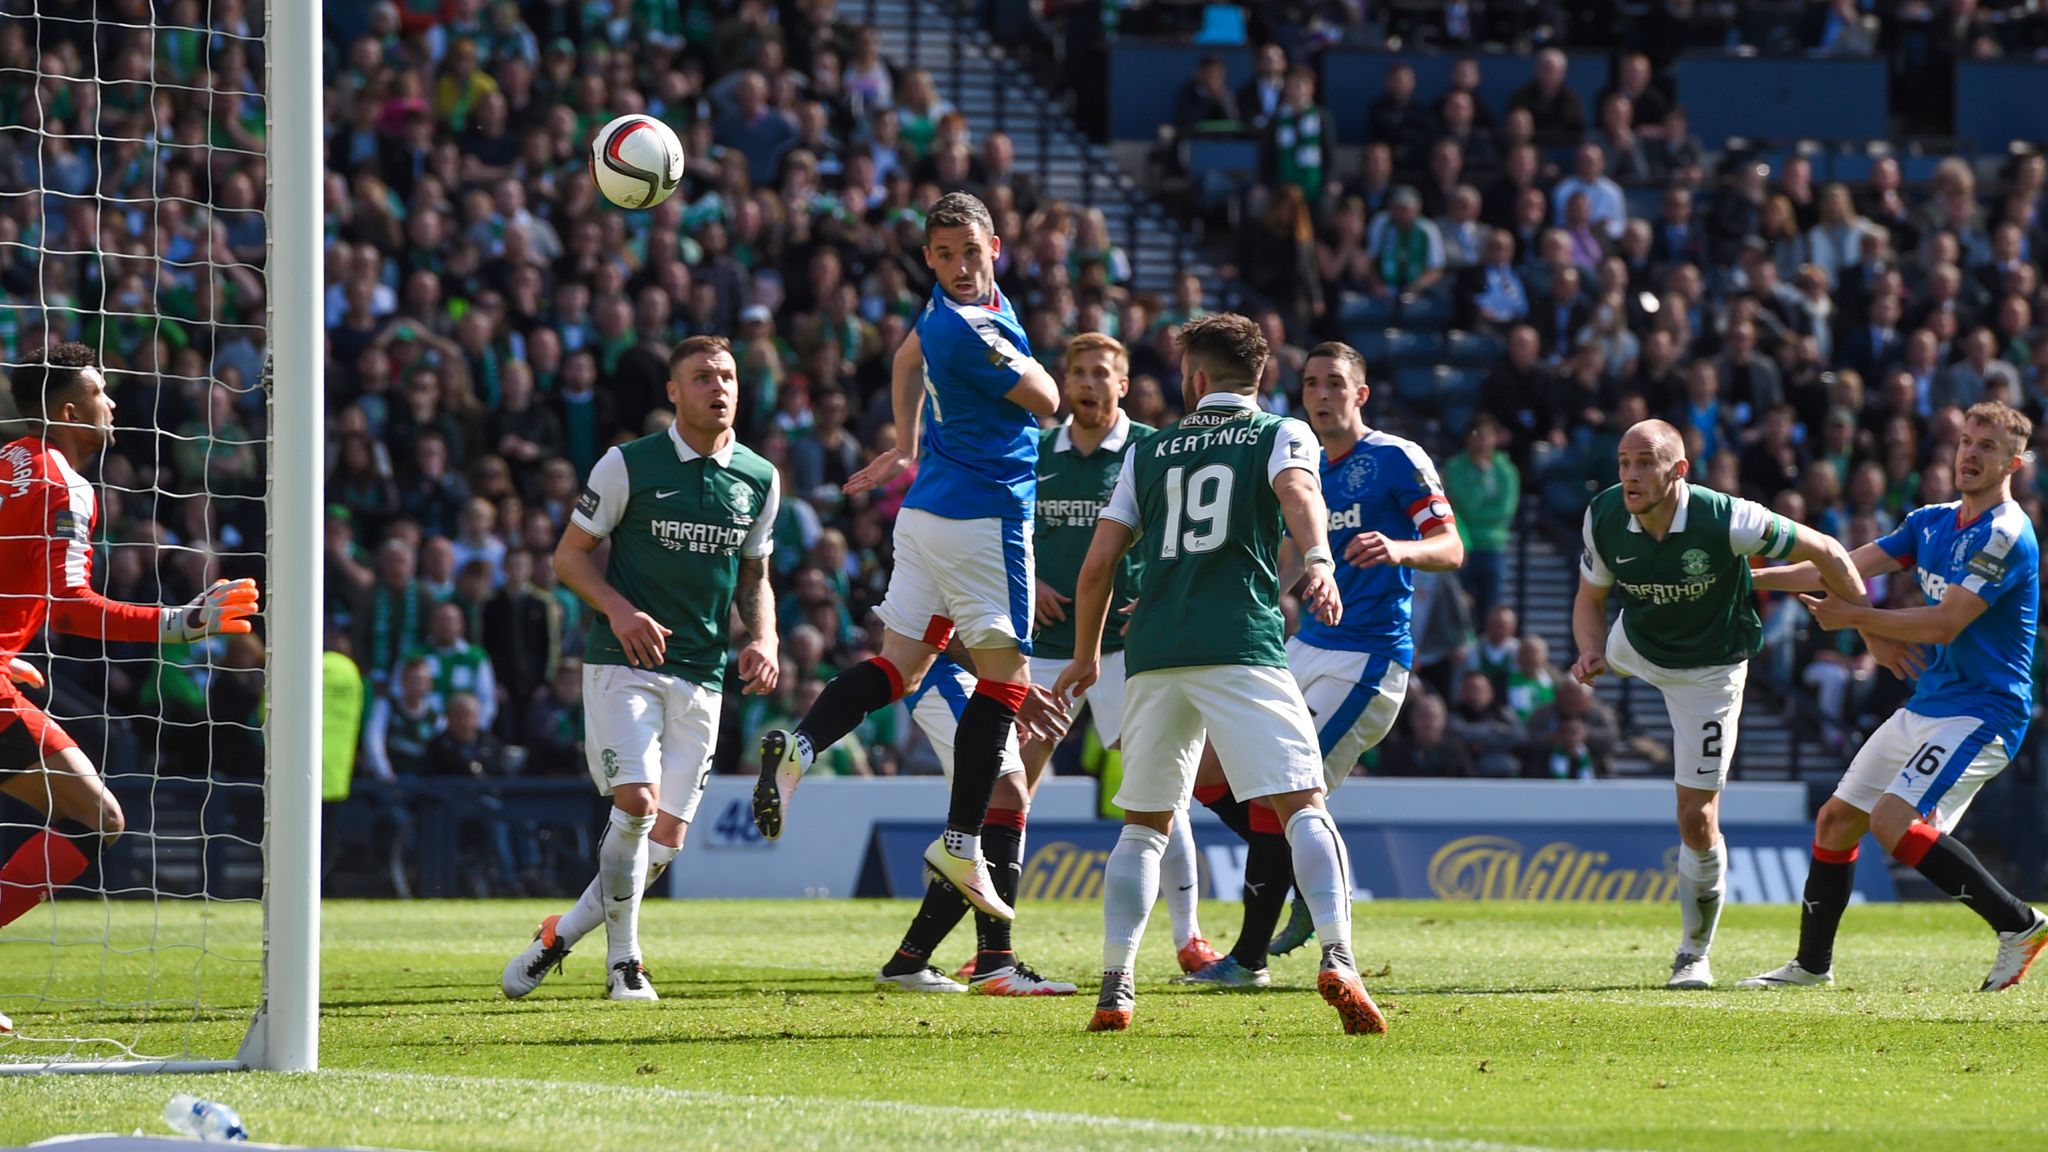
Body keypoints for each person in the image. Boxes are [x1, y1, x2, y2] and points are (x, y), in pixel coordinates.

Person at [1054, 313, 1385, 1035]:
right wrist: (1321, 562)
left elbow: (1096, 567)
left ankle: (1116, 983)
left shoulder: (1151, 450)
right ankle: (1338, 957)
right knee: (1304, 807)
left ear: (1194, 380)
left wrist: (1084, 657)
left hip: (1153, 655)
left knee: (1142, 829)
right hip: (1239, 643)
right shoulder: (1280, 432)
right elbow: (1300, 497)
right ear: (1259, 378)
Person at [751, 193, 1063, 944]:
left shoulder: (944, 309)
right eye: (945, 255)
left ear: (995, 246)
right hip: (983, 516)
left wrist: (905, 444)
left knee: (900, 665)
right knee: (1007, 681)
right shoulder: (975, 324)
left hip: (925, 515)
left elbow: (904, 355)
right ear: (929, 257)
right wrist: (1018, 363)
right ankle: (961, 848)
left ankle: (799, 745)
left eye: (969, 252)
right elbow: (1049, 400)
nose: (959, 266)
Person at [501, 335, 781, 1003]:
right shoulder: (627, 465)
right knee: (637, 803)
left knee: (668, 839)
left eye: (728, 376)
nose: (719, 387)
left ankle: (561, 934)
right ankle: (624, 963)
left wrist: (765, 637)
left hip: (702, 674)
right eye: (703, 377)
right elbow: (568, 559)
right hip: (623, 663)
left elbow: (756, 575)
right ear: (674, 392)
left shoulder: (760, 478)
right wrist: (620, 611)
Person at [1179, 340, 1463, 985]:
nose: (1323, 395)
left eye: (1336, 383)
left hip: (1367, 658)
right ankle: (1306, 878)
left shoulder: (1395, 458)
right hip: (1304, 646)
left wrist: (1398, 547)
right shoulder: (1301, 461)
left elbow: (1451, 547)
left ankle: (1249, 958)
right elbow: (1282, 558)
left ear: (1360, 394)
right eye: (1311, 384)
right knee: (1207, 770)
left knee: (1281, 789)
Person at [1740, 402, 2047, 991]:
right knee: (1835, 821)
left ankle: (2021, 923)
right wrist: (1748, 579)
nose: (1970, 454)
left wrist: (1858, 619)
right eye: (1965, 441)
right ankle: (1811, 967)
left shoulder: (2007, 534)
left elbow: (1945, 623)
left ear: (2013, 462)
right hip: (1929, 704)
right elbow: (1838, 568)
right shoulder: (1932, 521)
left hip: (1985, 712)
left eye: (1987, 446)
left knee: (1892, 823)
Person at [1570, 419, 1871, 990]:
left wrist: (1869, 627)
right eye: (1623, 462)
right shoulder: (1604, 515)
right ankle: (1694, 951)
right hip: (1633, 644)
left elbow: (1829, 549)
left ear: (1678, 471)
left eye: (1644, 462)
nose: (1630, 474)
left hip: (1709, 673)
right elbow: (1590, 597)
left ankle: (1693, 954)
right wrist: (1589, 651)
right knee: (1592, 664)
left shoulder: (1727, 517)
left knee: (1697, 816)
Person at [0, 344, 260, 933]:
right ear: (68, 412)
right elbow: (70, 607)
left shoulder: (8, 460)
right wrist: (180, 623)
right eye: (99, 392)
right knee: (98, 820)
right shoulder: (66, 488)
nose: (112, 402)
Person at [1015, 333, 1222, 978]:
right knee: (1010, 788)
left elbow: (1185, 537)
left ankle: (1189, 938)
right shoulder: (1035, 451)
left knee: (1161, 791)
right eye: (1077, 372)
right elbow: (1003, 529)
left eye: (1101, 373)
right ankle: (992, 943)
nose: (1087, 383)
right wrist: (1029, 579)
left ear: (1123, 385)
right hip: (1046, 648)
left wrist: (1156, 596)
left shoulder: (1151, 453)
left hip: (1128, 652)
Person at [877, 651, 1073, 995]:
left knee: (989, 814)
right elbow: (950, 629)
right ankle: (995, 961)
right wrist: (1015, 688)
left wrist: (1012, 690)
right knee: (1007, 796)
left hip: (982, 678)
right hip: (951, 674)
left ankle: (910, 960)